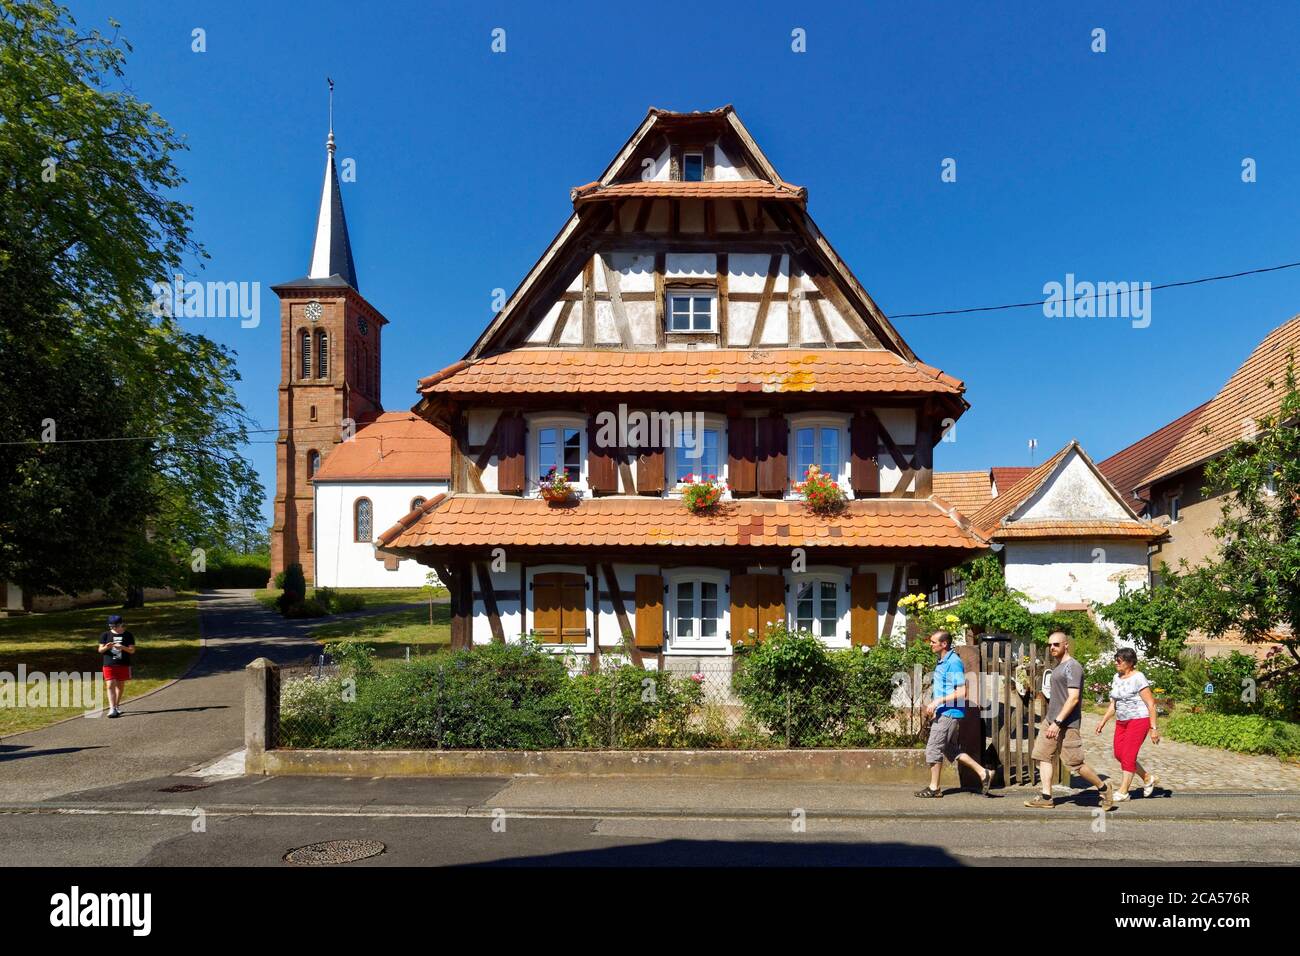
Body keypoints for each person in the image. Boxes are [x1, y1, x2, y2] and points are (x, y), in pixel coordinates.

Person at [1024, 631, 1113, 809]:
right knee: (1043, 756)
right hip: (1051, 721)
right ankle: (1046, 797)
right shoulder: (1058, 667)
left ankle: (1103, 788)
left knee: (1075, 764)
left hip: (1066, 724)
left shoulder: (1073, 667)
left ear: (1066, 645)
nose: (1052, 648)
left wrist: (1058, 723)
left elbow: (1073, 698)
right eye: (1050, 645)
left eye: (1056, 644)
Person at [915, 630, 995, 798]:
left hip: (950, 712)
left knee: (933, 748)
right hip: (944, 711)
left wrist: (937, 702)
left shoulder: (953, 662)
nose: (931, 644)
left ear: (944, 644)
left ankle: (934, 788)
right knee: (950, 749)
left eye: (933, 642)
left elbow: (961, 692)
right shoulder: (942, 661)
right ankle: (983, 772)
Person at [1095, 647, 1160, 801]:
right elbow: (1114, 703)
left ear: (1130, 662)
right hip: (1122, 721)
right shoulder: (1116, 677)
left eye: (1120, 660)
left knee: (1129, 755)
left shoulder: (1138, 677)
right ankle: (1147, 778)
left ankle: (1124, 791)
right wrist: (1103, 721)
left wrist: (1153, 728)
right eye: (1116, 659)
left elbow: (1151, 704)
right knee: (1119, 754)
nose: (1116, 662)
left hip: (1139, 720)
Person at [97, 614, 136, 718]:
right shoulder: (105, 635)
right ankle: (112, 708)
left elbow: (132, 650)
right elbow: (100, 650)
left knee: (120, 686)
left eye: (115, 626)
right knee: (110, 685)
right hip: (109, 664)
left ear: (121, 625)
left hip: (123, 664)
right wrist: (106, 647)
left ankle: (117, 705)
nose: (113, 628)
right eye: (111, 626)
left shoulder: (128, 635)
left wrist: (123, 647)